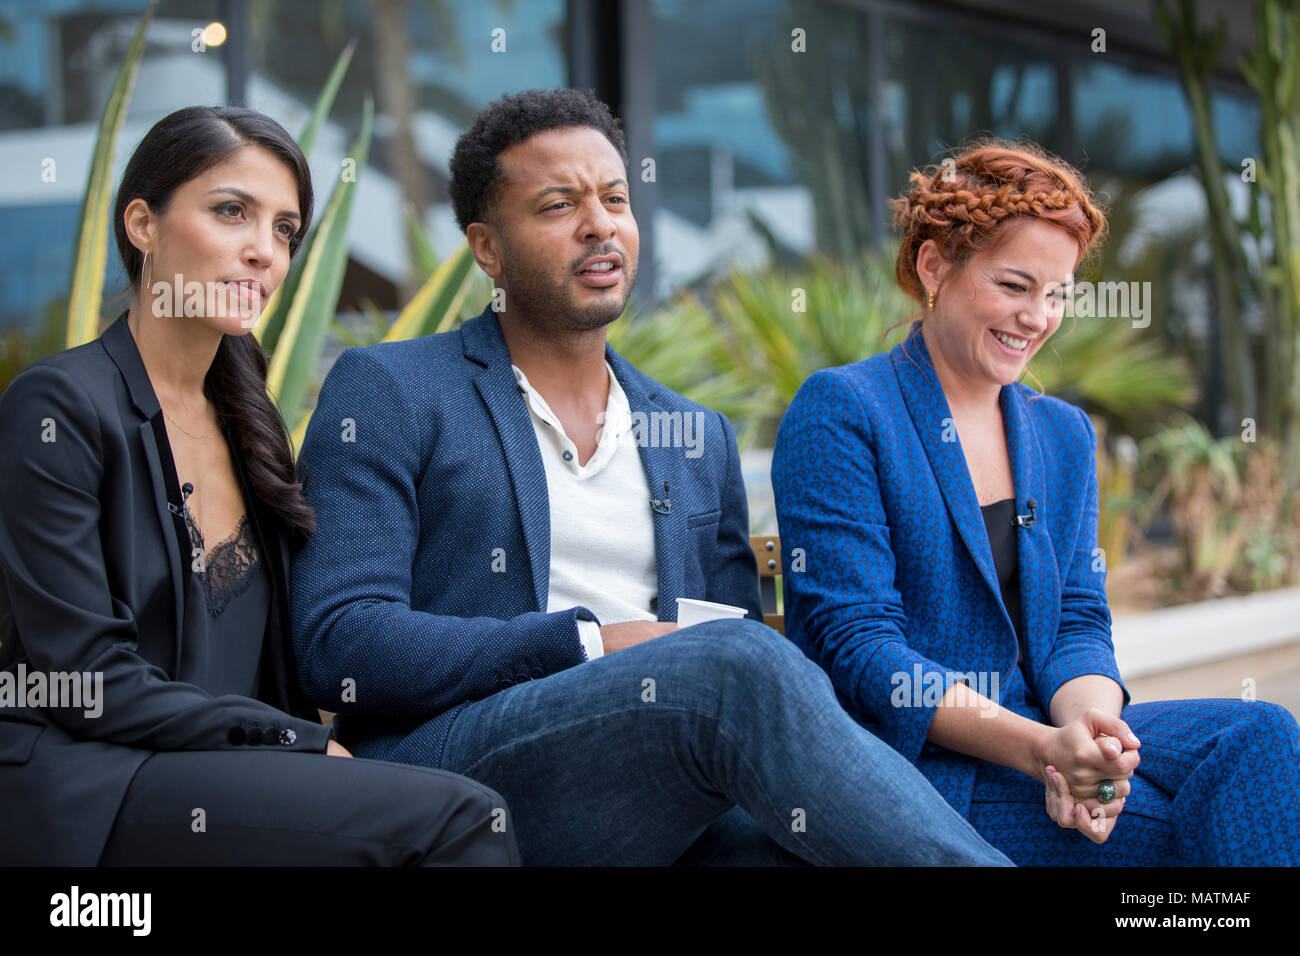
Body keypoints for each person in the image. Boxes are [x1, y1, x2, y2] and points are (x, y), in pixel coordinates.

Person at [289, 88, 1012, 867]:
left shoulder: (694, 434)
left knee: (798, 848)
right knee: (737, 666)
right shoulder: (392, 389)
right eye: (559, 205)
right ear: (487, 249)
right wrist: (591, 644)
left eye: (615, 199)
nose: (599, 224)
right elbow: (340, 641)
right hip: (458, 774)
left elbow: (735, 648)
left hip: (655, 793)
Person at [0, 105, 518, 866]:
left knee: (468, 788)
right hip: (91, 788)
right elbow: (88, 680)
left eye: (284, 230)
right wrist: (291, 741)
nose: (263, 252)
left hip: (229, 782)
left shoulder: (252, 428)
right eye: (231, 212)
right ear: (142, 225)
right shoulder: (59, 407)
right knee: (467, 818)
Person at [771, 138, 1300, 865]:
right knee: (1181, 837)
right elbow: (861, 650)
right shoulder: (845, 409)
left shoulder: (1061, 433)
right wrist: (1043, 753)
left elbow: (1078, 619)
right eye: (1015, 286)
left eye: (1057, 295)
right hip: (914, 767)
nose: (1037, 317)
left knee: (1261, 735)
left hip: (1044, 733)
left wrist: (1091, 738)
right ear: (934, 268)